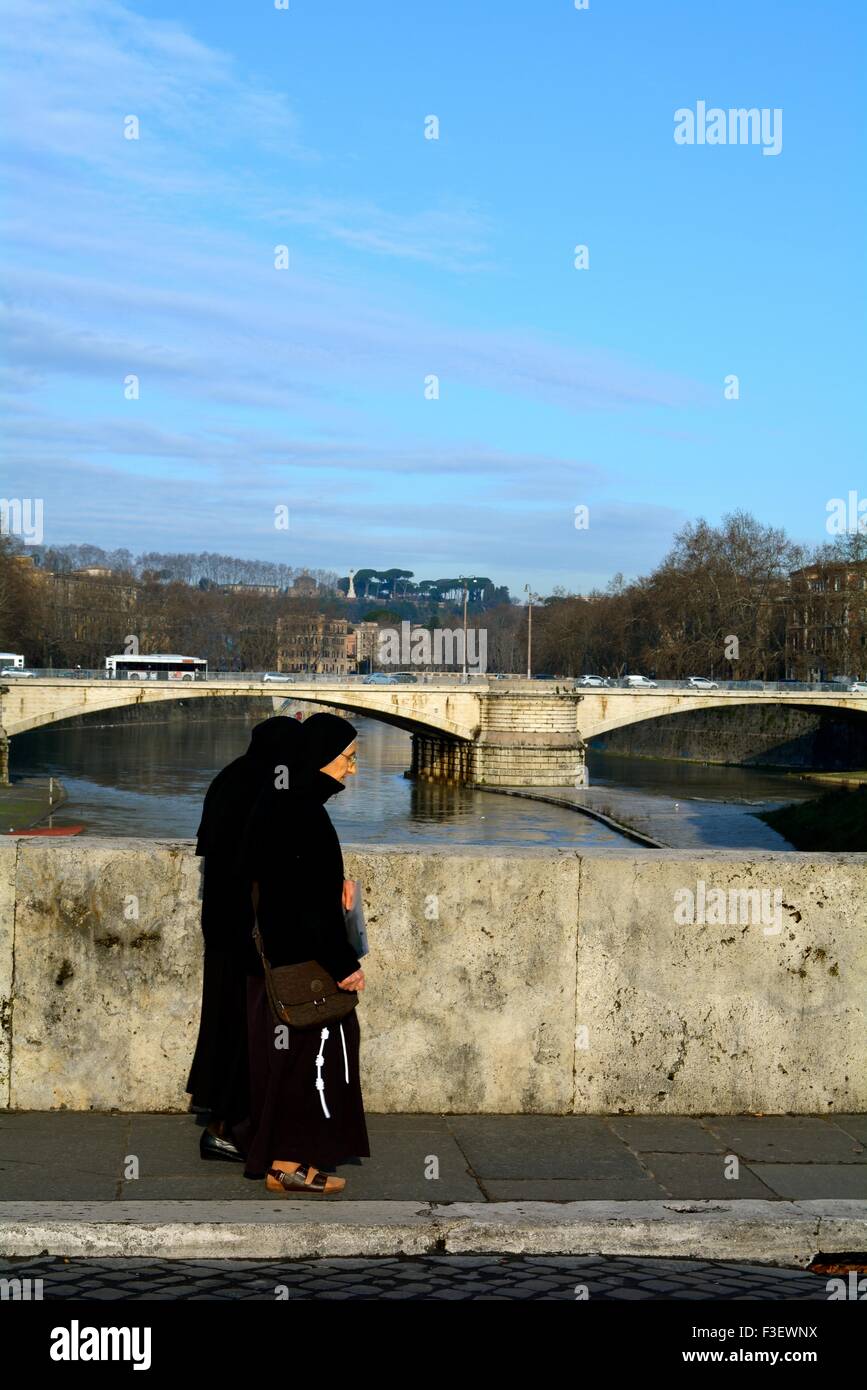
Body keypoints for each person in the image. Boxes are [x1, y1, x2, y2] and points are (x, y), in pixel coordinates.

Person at [233, 712, 370, 1195]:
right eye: (347, 760)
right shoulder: (304, 814)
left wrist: (334, 887)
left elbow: (278, 883)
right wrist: (344, 966)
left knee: (280, 1064)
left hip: (268, 963)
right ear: (320, 760)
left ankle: (277, 1156)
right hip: (299, 965)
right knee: (310, 1061)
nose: (352, 770)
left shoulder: (277, 802)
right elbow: (306, 909)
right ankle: (288, 1164)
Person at [186, 715, 303, 1161]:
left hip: (221, 924)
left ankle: (219, 1109)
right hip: (247, 930)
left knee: (224, 1019)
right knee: (245, 1027)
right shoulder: (269, 786)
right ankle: (226, 1127)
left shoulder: (231, 776)